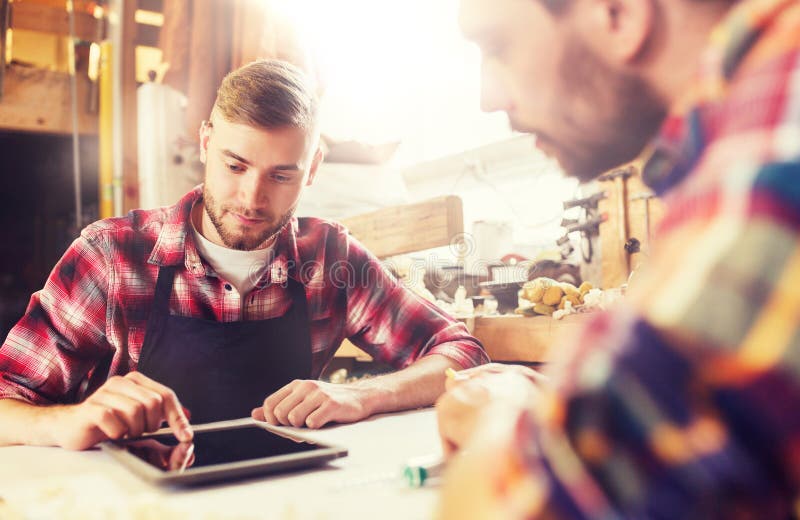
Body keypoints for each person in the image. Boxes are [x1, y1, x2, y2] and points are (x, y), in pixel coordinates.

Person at [0, 59, 487, 451]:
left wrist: (362, 394)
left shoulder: (331, 260)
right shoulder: (111, 256)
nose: (253, 199)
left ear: (312, 168)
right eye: (235, 165)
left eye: (281, 176)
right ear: (206, 143)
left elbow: (461, 353)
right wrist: (67, 422)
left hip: (284, 501)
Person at [436, 0, 800, 517]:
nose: (487, 98)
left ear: (618, 12)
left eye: (497, 47)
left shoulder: (778, 137)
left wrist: (506, 418)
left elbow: (522, 504)